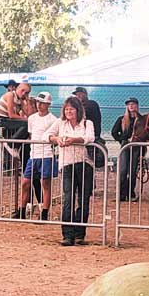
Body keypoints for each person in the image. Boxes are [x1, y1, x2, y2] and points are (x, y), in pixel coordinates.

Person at [47, 97, 95, 246]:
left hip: (85, 164)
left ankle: (80, 234)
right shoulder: (60, 123)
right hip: (66, 164)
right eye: (66, 109)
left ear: (78, 110)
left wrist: (73, 140)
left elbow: (90, 137)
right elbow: (46, 135)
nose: (69, 112)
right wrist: (56, 139)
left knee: (83, 200)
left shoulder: (87, 123)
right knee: (68, 200)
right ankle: (67, 235)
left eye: (71, 109)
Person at [12, 92, 58, 220]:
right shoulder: (32, 119)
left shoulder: (53, 120)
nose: (39, 105)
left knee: (45, 184)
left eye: (42, 103)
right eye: (38, 102)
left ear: (48, 104)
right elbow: (32, 135)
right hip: (34, 154)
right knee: (25, 182)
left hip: (46, 154)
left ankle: (44, 212)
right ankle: (22, 210)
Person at [0, 81, 34, 164]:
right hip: (0, 120)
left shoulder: (20, 100)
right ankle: (10, 144)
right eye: (22, 91)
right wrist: (26, 120)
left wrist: (28, 101)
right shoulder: (10, 95)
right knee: (27, 124)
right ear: (17, 88)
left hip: (8, 121)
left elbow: (30, 115)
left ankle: (15, 147)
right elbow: (11, 115)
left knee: (28, 126)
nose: (24, 93)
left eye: (26, 92)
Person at [111, 96, 143, 201]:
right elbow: (114, 132)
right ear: (127, 107)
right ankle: (121, 194)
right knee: (123, 170)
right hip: (125, 147)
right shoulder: (122, 119)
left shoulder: (142, 120)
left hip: (137, 147)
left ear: (137, 106)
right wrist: (122, 140)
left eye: (133, 104)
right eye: (129, 104)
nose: (131, 106)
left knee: (133, 171)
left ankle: (130, 193)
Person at [73, 86, 105, 167]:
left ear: (85, 94)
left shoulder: (91, 104)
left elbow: (83, 114)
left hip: (90, 137)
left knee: (88, 164)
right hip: (81, 138)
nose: (78, 96)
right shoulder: (78, 107)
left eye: (80, 94)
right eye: (77, 95)